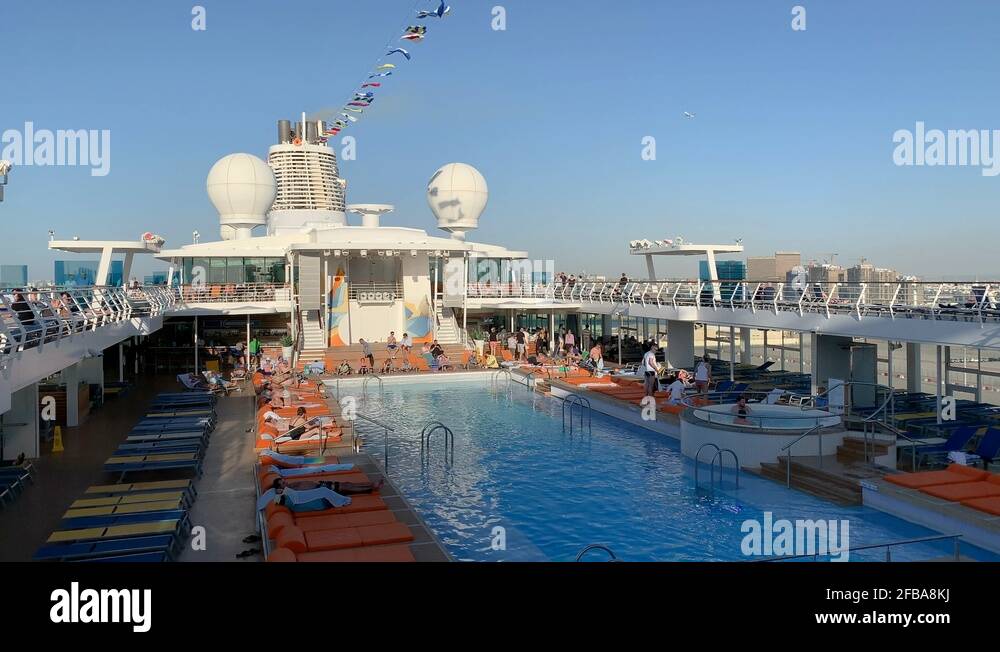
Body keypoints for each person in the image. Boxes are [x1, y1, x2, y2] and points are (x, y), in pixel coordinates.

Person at [271, 476, 383, 496]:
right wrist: (280, 489)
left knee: (347, 484)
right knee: (346, 488)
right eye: (283, 483)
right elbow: (276, 492)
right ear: (280, 487)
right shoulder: (288, 491)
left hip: (321, 484)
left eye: (284, 480)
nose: (285, 482)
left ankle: (371, 484)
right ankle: (372, 487)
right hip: (320, 490)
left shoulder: (291, 485)